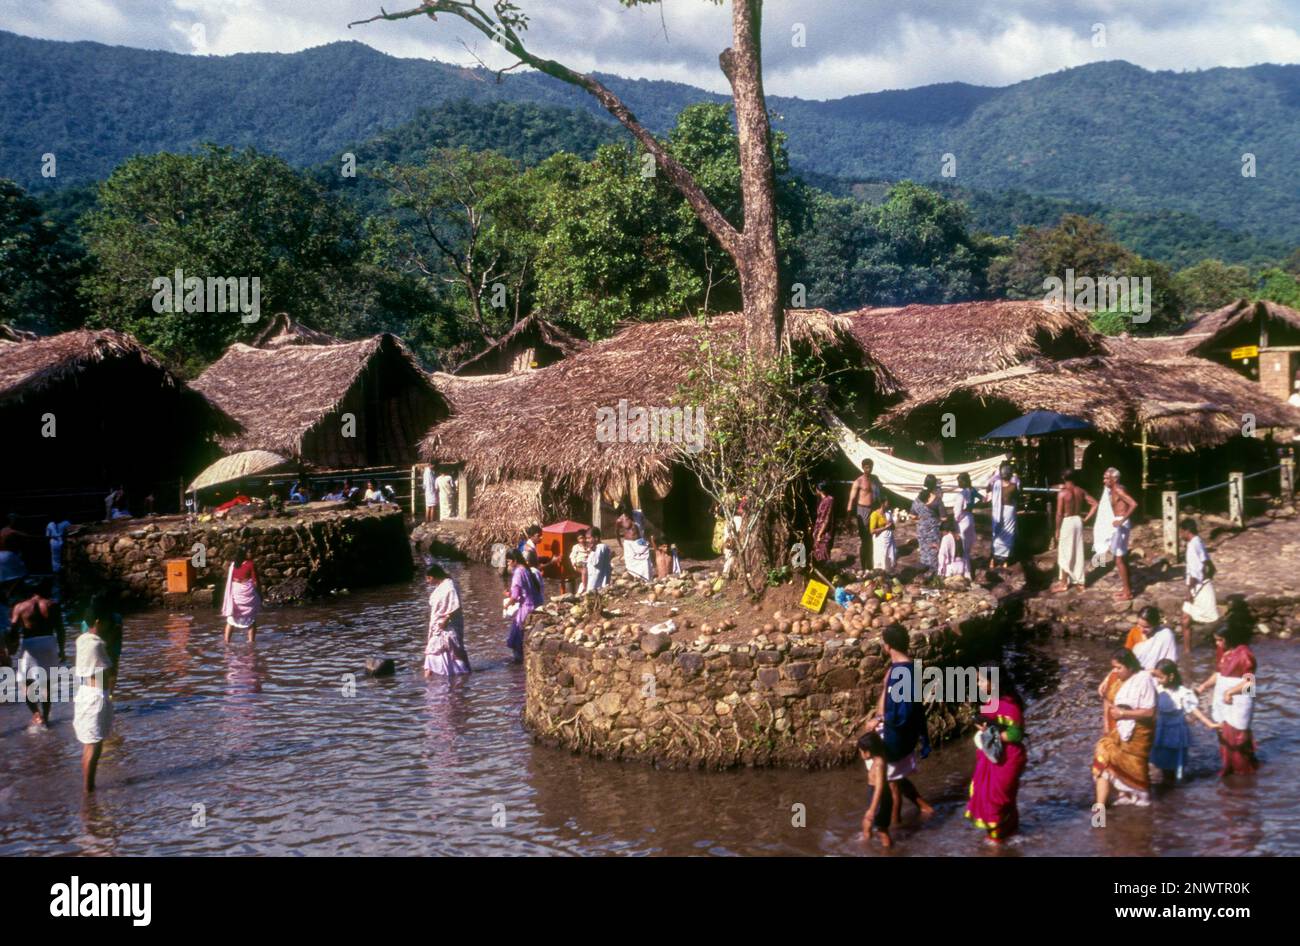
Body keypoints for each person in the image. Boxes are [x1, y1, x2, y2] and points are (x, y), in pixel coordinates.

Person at [865, 624, 935, 825]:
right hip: (896, 730)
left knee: (891, 783)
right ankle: (923, 807)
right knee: (896, 776)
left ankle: (895, 830)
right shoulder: (904, 668)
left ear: (887, 646)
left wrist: (879, 719)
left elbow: (904, 710)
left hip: (894, 733)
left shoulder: (902, 672)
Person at [965, 666, 1027, 843]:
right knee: (997, 797)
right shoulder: (991, 701)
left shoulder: (1010, 706)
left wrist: (992, 735)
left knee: (996, 800)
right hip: (994, 757)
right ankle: (1009, 835)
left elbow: (1016, 734)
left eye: (982, 680)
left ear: (995, 682)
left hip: (1008, 759)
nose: (979, 684)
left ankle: (996, 841)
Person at [1196, 610, 1258, 776]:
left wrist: (1231, 692)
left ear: (1230, 639)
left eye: (1220, 640)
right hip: (1224, 698)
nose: (1218, 644)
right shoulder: (1222, 652)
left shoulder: (1245, 655)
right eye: (1216, 640)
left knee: (1237, 737)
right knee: (1223, 733)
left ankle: (1242, 770)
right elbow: (1219, 674)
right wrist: (1203, 686)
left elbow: (1250, 683)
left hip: (1239, 701)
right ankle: (1228, 766)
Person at [1092, 648, 1157, 807]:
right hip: (1117, 730)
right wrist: (1107, 726)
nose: (1115, 671)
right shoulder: (1115, 678)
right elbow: (1107, 699)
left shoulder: (1144, 680)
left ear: (1131, 667)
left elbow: (1150, 712)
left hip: (1138, 734)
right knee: (1103, 755)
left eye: (1119, 667)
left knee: (1134, 768)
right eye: (1113, 667)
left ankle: (1134, 796)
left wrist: (1124, 714)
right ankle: (1100, 808)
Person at [7, 579, 66, 727]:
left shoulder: (20, 607)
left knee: (25, 682)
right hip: (49, 642)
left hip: (30, 644)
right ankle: (46, 717)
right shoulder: (52, 605)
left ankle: (36, 714)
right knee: (47, 683)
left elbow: (12, 629)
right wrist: (62, 650)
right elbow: (60, 629)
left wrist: (10, 646)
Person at [74, 595, 117, 793]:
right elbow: (108, 672)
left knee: (89, 744)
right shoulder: (98, 645)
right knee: (95, 746)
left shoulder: (81, 640)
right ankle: (88, 790)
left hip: (84, 693)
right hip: (95, 695)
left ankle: (88, 787)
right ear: (99, 622)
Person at [1151, 659, 1216, 783]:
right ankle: (1168, 783)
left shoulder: (1182, 692)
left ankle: (1176, 784)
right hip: (1162, 728)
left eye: (1160, 677)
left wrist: (1209, 723)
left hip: (1176, 731)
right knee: (1163, 759)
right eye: (1157, 677)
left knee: (1176, 760)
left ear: (1170, 677)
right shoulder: (1157, 690)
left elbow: (1193, 710)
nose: (1158, 680)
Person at [1093, 467, 1137, 601]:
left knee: (1118, 559)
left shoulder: (1118, 489)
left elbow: (1133, 504)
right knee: (1120, 557)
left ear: (1115, 479)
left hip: (1121, 523)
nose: (1104, 480)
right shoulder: (1112, 490)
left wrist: (1122, 520)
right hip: (1119, 522)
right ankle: (1126, 590)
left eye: (1107, 478)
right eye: (1104, 477)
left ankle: (1127, 592)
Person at [1051, 469, 1098, 592]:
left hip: (1067, 522)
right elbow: (1095, 504)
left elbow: (1059, 514)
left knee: (1064, 552)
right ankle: (1080, 582)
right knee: (1077, 551)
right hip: (1078, 520)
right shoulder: (1080, 491)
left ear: (1063, 477)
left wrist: (1057, 529)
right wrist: (1086, 519)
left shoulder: (1062, 493)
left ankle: (1063, 583)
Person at [1179, 518, 1218, 652]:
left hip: (1197, 586)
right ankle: (1187, 650)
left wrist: (1189, 591)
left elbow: (1195, 573)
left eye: (1181, 532)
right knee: (1185, 619)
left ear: (1186, 531)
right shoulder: (1198, 542)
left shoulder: (1191, 546)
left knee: (1209, 619)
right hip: (1202, 584)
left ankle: (1218, 643)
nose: (1180, 535)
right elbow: (1208, 564)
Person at [424, 564, 470, 676]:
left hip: (447, 626)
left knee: (452, 652)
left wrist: (445, 620)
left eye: (428, 578)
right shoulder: (441, 586)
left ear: (434, 576)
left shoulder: (449, 587)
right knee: (433, 654)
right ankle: (457, 679)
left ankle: (461, 677)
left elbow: (454, 606)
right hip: (437, 626)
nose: (427, 581)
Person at [505, 549, 544, 662]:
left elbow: (515, 596)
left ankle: (519, 664)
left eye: (508, 561)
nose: (508, 564)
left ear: (514, 561)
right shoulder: (527, 570)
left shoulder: (518, 572)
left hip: (526, 608)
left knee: (517, 636)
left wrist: (506, 605)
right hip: (535, 605)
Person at [858, 731, 895, 848]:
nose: (860, 754)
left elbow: (879, 787)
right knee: (867, 824)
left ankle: (888, 851)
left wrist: (872, 809)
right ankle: (865, 846)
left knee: (882, 831)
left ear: (868, 752)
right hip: (876, 796)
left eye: (861, 751)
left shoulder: (879, 764)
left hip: (880, 798)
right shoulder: (878, 758)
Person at [220, 546, 262, 643]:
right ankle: (251, 642)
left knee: (231, 619)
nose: (252, 554)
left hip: (235, 593)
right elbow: (255, 582)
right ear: (244, 554)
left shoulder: (234, 565)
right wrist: (260, 594)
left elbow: (232, 579)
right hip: (247, 593)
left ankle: (226, 642)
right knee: (251, 619)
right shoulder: (251, 564)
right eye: (250, 552)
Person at [847, 459, 883, 571]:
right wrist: (848, 516)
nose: (869, 469)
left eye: (870, 467)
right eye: (867, 467)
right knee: (865, 539)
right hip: (862, 510)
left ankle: (870, 565)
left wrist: (881, 509)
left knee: (872, 538)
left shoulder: (875, 479)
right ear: (863, 467)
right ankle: (863, 566)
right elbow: (851, 499)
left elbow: (880, 494)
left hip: (873, 509)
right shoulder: (859, 481)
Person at [986, 462, 1019, 570]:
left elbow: (987, 488)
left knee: (997, 534)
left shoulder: (995, 484)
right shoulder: (1014, 486)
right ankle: (1005, 561)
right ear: (1010, 474)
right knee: (1008, 535)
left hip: (997, 512)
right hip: (1009, 511)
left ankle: (993, 560)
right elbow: (1018, 496)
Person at [1131, 605, 1177, 670]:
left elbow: (1171, 660)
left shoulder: (1166, 635)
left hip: (1158, 675)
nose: (1142, 630)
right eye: (1139, 625)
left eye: (1146, 627)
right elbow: (1127, 657)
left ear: (1155, 624)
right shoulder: (1134, 633)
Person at [952, 472, 981, 574]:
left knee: (961, 549)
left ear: (964, 482)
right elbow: (983, 498)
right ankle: (967, 570)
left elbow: (958, 512)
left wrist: (955, 521)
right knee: (967, 549)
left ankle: (966, 572)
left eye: (959, 481)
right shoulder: (972, 490)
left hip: (963, 520)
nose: (958, 483)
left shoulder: (961, 494)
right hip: (970, 518)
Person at [911, 486, 942, 576]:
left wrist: (921, 519)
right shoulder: (936, 501)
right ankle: (933, 573)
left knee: (924, 550)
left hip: (921, 529)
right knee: (933, 550)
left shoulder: (917, 501)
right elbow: (944, 517)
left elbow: (912, 515)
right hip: (933, 529)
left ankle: (924, 573)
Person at [868, 496, 896, 574]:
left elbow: (893, 527)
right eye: (887, 502)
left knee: (889, 557)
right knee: (881, 557)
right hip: (880, 540)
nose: (889, 504)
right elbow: (872, 531)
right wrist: (885, 527)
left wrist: (891, 525)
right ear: (882, 503)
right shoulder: (875, 514)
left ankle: (889, 573)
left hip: (889, 539)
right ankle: (880, 574)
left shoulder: (888, 513)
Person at [811, 481, 836, 567]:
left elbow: (826, 519)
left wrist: (820, 533)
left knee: (823, 551)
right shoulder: (822, 500)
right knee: (817, 553)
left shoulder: (829, 500)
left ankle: (826, 570)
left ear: (819, 490)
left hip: (824, 531)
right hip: (818, 529)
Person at [585, 528, 612, 592]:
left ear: (596, 538)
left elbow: (595, 562)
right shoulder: (596, 548)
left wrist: (592, 550)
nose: (587, 540)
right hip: (594, 578)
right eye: (586, 538)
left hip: (597, 581)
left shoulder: (601, 547)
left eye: (589, 538)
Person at [569, 529, 590, 594]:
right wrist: (574, 563)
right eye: (580, 538)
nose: (582, 540)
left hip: (588, 563)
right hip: (579, 564)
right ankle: (584, 587)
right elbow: (572, 556)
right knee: (584, 570)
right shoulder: (576, 547)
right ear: (578, 540)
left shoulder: (589, 546)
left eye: (584, 538)